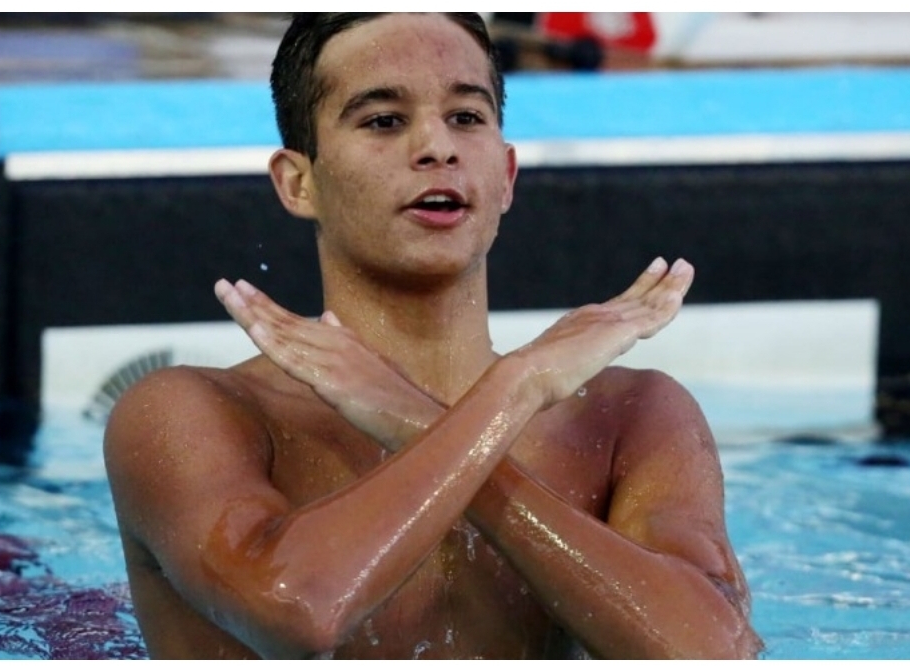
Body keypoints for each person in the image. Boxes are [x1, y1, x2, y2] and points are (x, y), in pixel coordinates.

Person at [103, 12, 763, 659]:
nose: (437, 147)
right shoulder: (187, 414)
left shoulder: (632, 415)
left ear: (505, 177)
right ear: (299, 182)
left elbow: (710, 652)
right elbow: (299, 613)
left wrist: (417, 420)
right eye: (383, 120)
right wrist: (513, 388)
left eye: (466, 117)